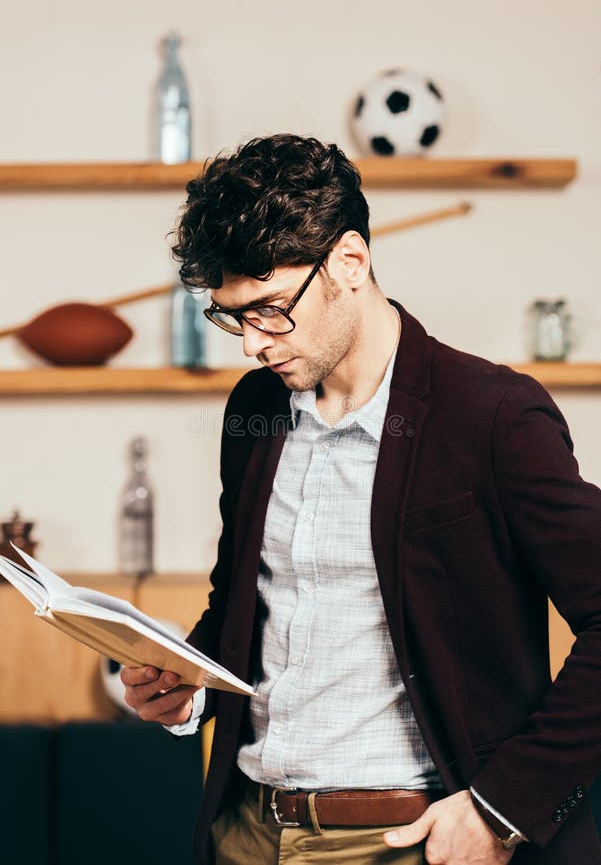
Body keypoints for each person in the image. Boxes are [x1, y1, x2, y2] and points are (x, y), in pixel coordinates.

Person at [121, 134, 601, 865]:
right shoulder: (256, 409)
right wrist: (186, 683)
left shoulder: (492, 415)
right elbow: (246, 604)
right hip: (244, 830)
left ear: (349, 261)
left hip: (404, 840)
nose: (251, 343)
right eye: (232, 316)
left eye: (269, 308)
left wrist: (500, 810)